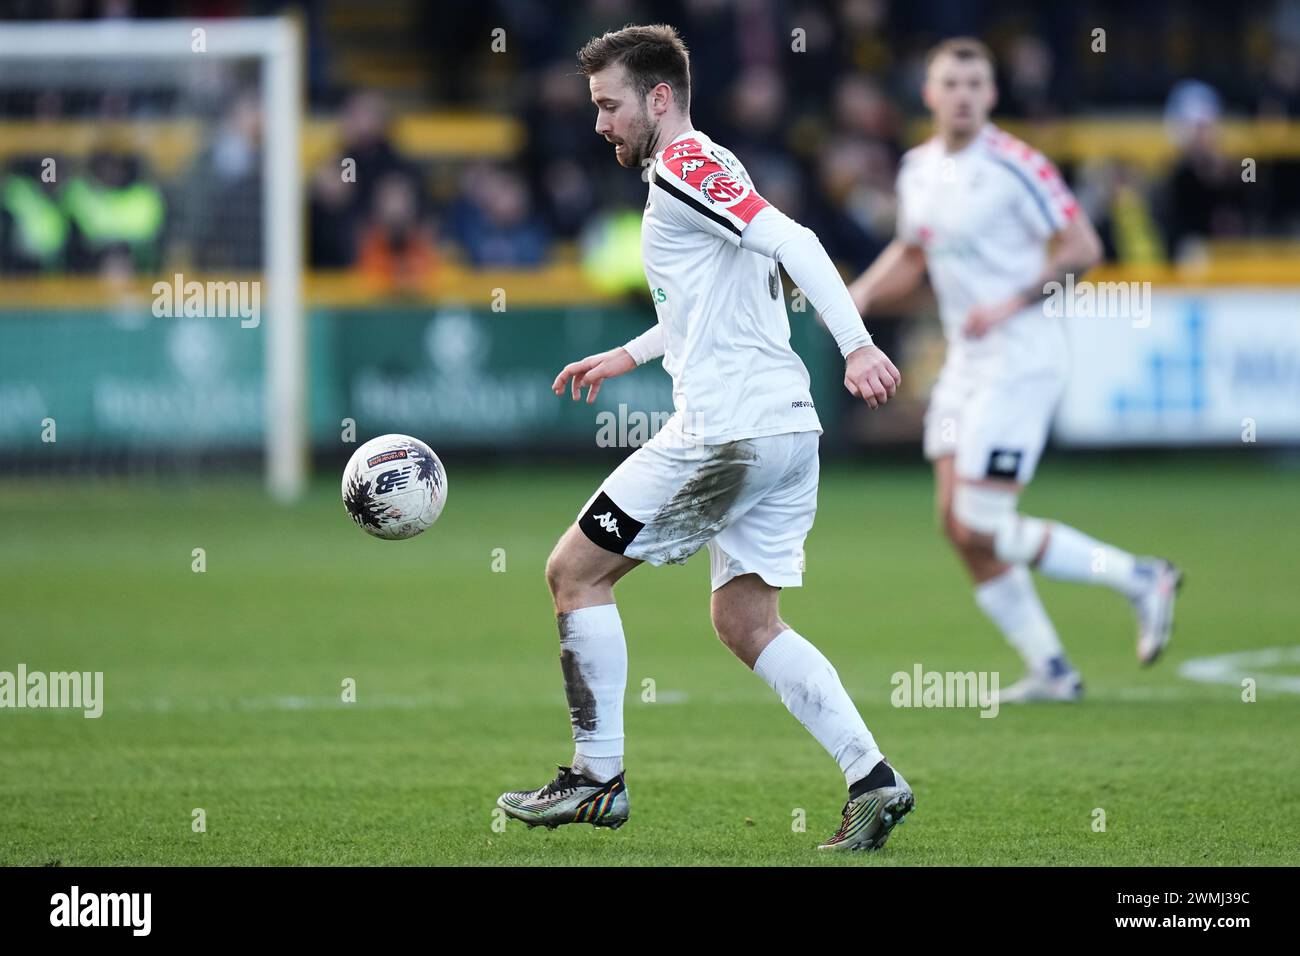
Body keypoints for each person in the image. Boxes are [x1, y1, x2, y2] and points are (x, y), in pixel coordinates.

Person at [496, 24, 913, 852]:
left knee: (574, 574)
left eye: (610, 105)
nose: (600, 124)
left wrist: (858, 342)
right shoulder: (711, 165)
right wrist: (633, 351)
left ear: (659, 97)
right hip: (788, 431)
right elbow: (720, 296)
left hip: (728, 432)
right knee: (745, 621)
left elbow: (798, 244)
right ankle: (872, 778)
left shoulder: (684, 165)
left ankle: (596, 777)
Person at [847, 38, 1182, 703]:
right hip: (965, 361)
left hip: (1023, 354)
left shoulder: (1017, 165)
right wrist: (854, 297)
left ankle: (1140, 576)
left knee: (980, 522)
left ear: (992, 96)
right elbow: (913, 252)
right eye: (952, 82)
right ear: (930, 94)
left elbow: (1084, 246)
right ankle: (1053, 670)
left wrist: (1008, 302)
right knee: (957, 524)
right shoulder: (917, 168)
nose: (964, 94)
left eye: (977, 83)